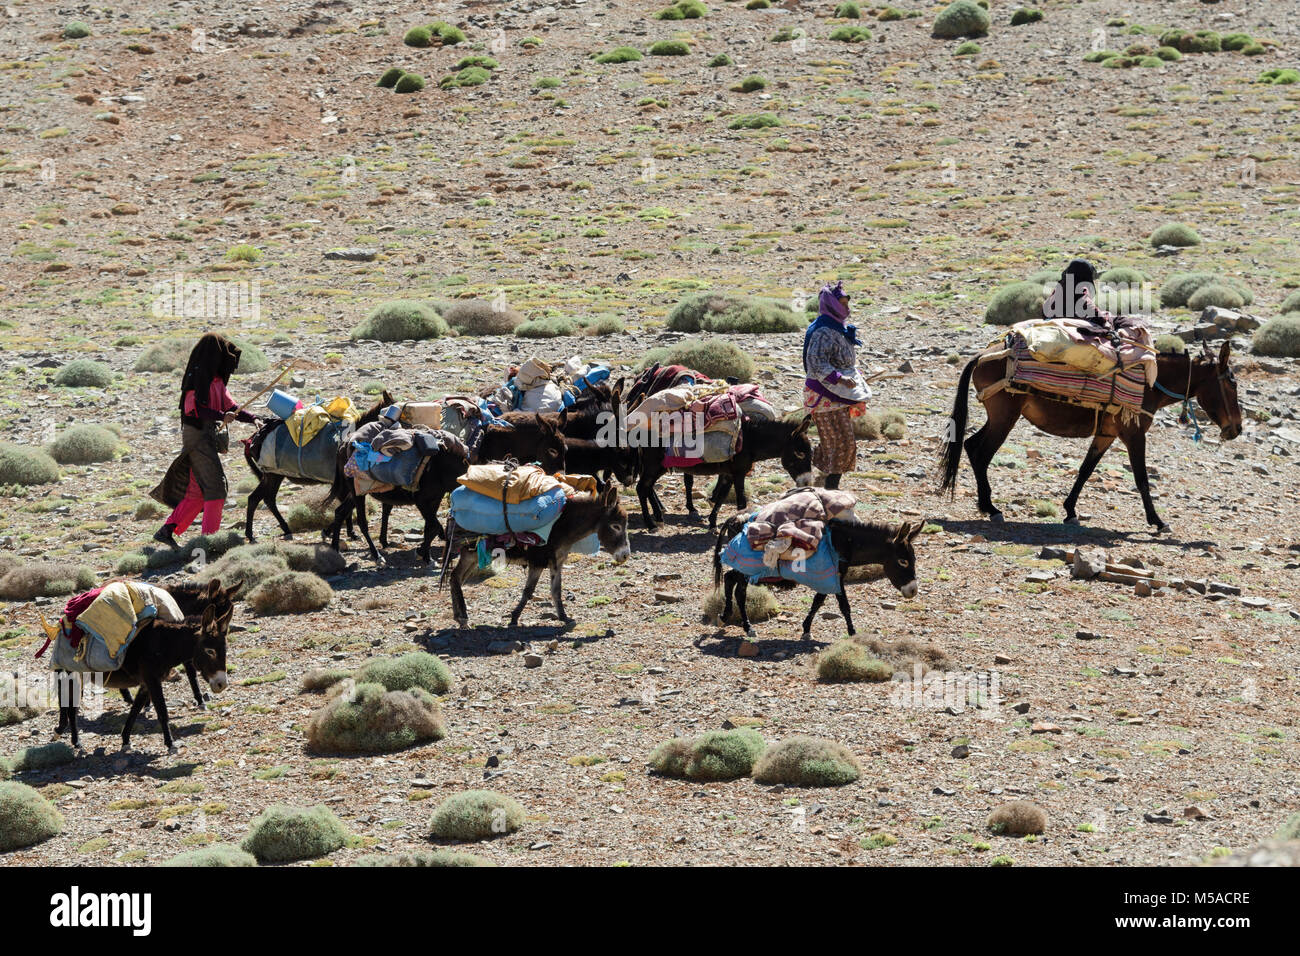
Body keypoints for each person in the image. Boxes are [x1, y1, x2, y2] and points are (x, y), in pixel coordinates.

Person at [150, 334, 256, 547]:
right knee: (216, 488)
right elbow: (195, 409)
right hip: (198, 437)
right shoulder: (196, 381)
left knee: (197, 492)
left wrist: (255, 419)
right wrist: (220, 416)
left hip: (204, 437)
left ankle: (166, 531)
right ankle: (209, 542)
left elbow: (232, 408)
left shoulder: (216, 382)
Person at [802, 280, 870, 490]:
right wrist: (839, 378)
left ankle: (825, 486)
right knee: (840, 444)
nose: (846, 307)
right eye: (841, 303)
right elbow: (815, 363)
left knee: (840, 443)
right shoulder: (823, 331)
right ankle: (829, 490)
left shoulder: (836, 327)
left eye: (846, 302)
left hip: (837, 394)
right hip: (825, 396)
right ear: (831, 305)